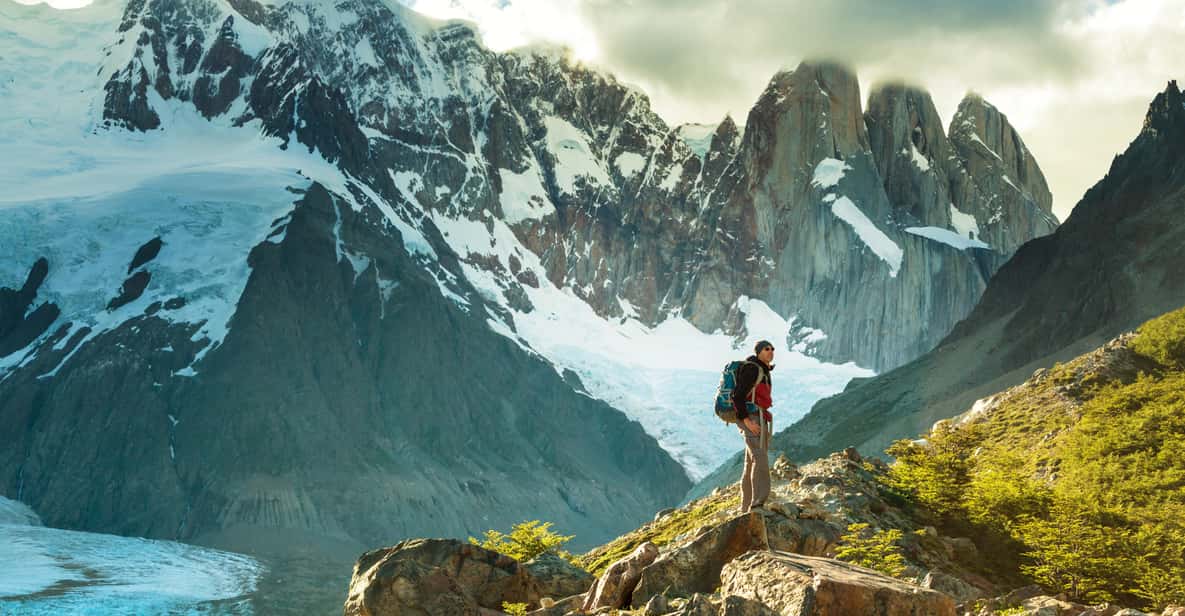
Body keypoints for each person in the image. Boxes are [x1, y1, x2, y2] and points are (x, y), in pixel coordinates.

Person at [731, 340, 775, 512]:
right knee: (760, 458)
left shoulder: (763, 370)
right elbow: (737, 396)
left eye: (772, 349)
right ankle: (757, 503)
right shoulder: (752, 369)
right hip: (751, 418)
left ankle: (746, 506)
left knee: (751, 462)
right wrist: (747, 421)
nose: (771, 352)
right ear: (758, 352)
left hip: (759, 417)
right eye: (766, 349)